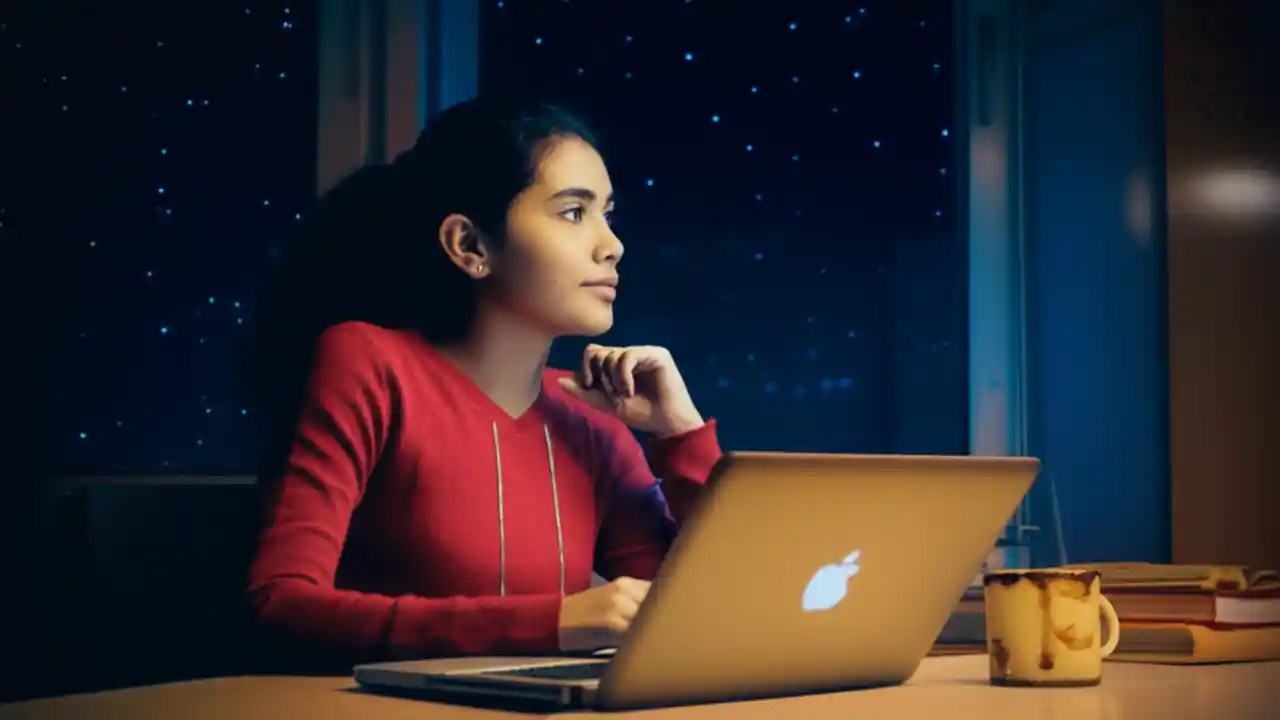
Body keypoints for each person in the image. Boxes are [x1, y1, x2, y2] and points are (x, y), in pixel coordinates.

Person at [242, 94, 723, 668]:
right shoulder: (369, 364)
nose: (612, 245)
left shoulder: (590, 416)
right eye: (574, 212)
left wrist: (679, 434)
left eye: (608, 215)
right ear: (470, 246)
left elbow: (706, 615)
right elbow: (284, 603)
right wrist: (557, 620)